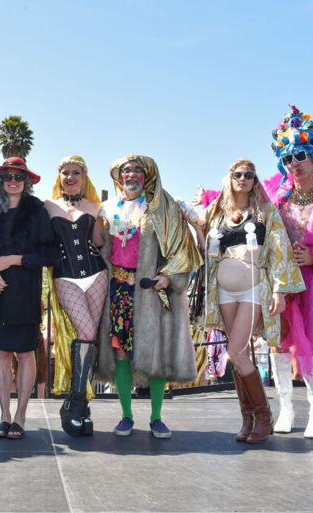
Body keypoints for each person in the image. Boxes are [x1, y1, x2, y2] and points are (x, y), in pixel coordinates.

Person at [196, 105, 313, 438]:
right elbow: (241, 197)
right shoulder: (275, 191)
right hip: (274, 282)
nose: (294, 163)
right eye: (287, 158)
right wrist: (208, 198)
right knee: (276, 344)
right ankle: (285, 409)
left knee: (311, 346)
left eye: (300, 155)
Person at [194, 160, 304, 443]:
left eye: (249, 175)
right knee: (240, 354)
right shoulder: (217, 213)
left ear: (255, 180)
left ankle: (263, 416)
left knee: (235, 353)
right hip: (224, 292)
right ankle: (248, 418)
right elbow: (203, 244)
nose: (243, 178)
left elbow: (280, 249)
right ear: (229, 178)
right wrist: (192, 221)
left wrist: (279, 291)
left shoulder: (266, 211)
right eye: (237, 174)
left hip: (253, 290)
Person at [95, 155, 202, 438]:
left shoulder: (162, 207)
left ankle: (156, 418)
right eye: (125, 170)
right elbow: (98, 244)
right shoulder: (108, 208)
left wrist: (169, 277)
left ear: (148, 175)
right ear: (118, 177)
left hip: (151, 289)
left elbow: (181, 248)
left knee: (156, 352)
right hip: (118, 289)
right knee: (120, 351)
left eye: (137, 170)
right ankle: (126, 416)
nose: (131, 174)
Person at [0, 157, 59, 439]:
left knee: (25, 353)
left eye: (19, 176)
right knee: (0, 353)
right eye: (7, 176)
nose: (13, 181)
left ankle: (20, 416)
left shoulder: (36, 210)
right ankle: (4, 416)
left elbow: (50, 254)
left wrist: (14, 259)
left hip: (24, 292)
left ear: (27, 181)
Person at [43, 155, 108, 436]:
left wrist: (111, 223)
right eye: (65, 173)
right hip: (65, 275)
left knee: (90, 337)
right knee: (85, 330)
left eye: (76, 173)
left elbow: (99, 242)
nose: (70, 177)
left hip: (96, 274)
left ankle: (81, 408)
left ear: (84, 177)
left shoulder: (96, 207)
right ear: (59, 177)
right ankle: (75, 403)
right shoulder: (47, 206)